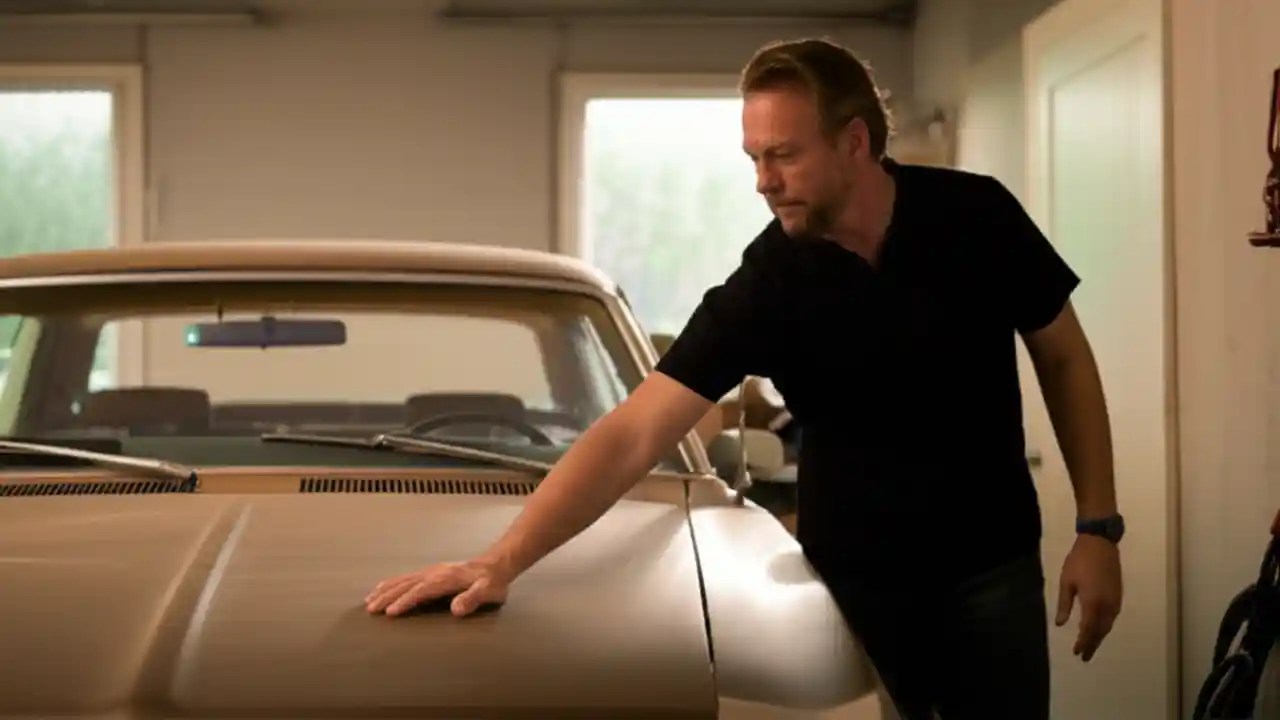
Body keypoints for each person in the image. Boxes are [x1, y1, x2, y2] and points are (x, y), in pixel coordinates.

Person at [364, 37, 1124, 719]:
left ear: (854, 141)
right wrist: (502, 560)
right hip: (850, 587)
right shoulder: (771, 283)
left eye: (783, 155)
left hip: (989, 568)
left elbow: (1062, 357)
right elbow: (635, 430)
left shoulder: (978, 217)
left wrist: (1098, 528)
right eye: (753, 157)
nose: (762, 181)